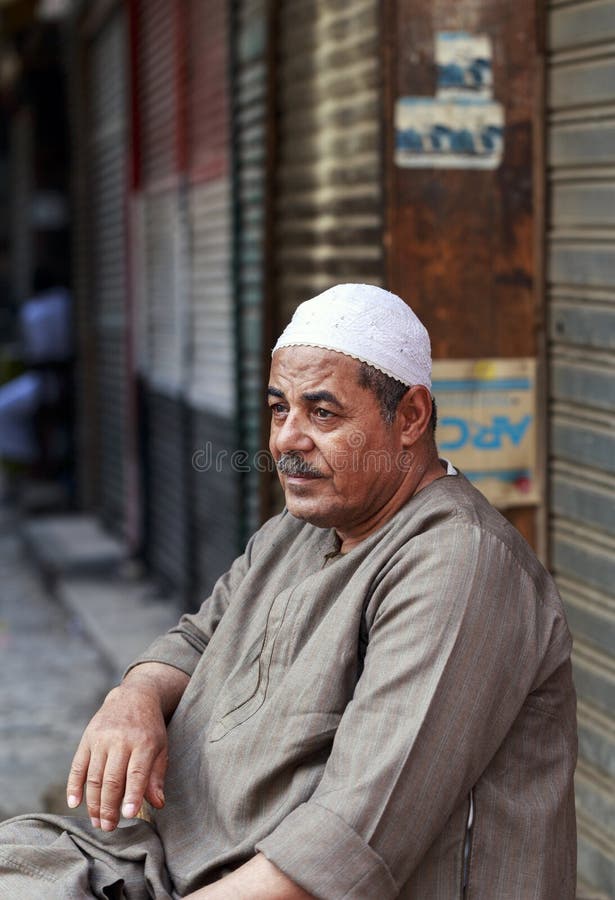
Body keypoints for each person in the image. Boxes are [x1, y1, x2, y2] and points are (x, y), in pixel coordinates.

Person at [0, 283, 577, 899]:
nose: (286, 441)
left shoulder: (460, 563)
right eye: (280, 410)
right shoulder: (303, 526)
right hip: (179, 864)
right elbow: (199, 636)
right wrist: (134, 697)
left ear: (410, 417)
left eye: (323, 414)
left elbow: (346, 846)